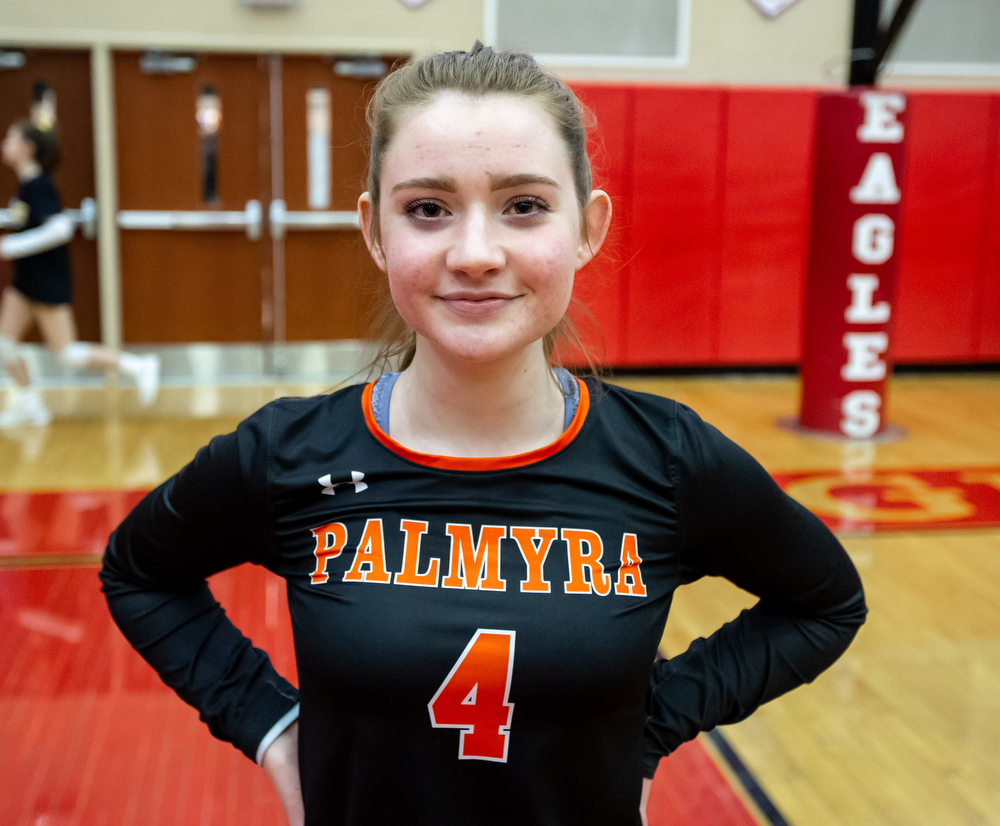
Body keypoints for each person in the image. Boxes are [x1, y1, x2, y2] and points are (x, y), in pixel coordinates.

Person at [100, 43, 867, 825]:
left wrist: (653, 726)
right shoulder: (289, 455)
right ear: (375, 232)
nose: (474, 254)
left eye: (524, 206)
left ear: (587, 228)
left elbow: (824, 603)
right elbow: (139, 571)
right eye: (427, 209)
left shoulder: (666, 461)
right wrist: (272, 728)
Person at [0, 118, 159, 428]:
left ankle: (138, 366)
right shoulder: (25, 186)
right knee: (3, 344)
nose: (4, 145)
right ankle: (30, 406)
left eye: (10, 139)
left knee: (66, 352)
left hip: (46, 282)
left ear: (27, 148)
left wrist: (9, 247)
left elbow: (59, 229)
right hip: (25, 282)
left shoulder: (39, 185)